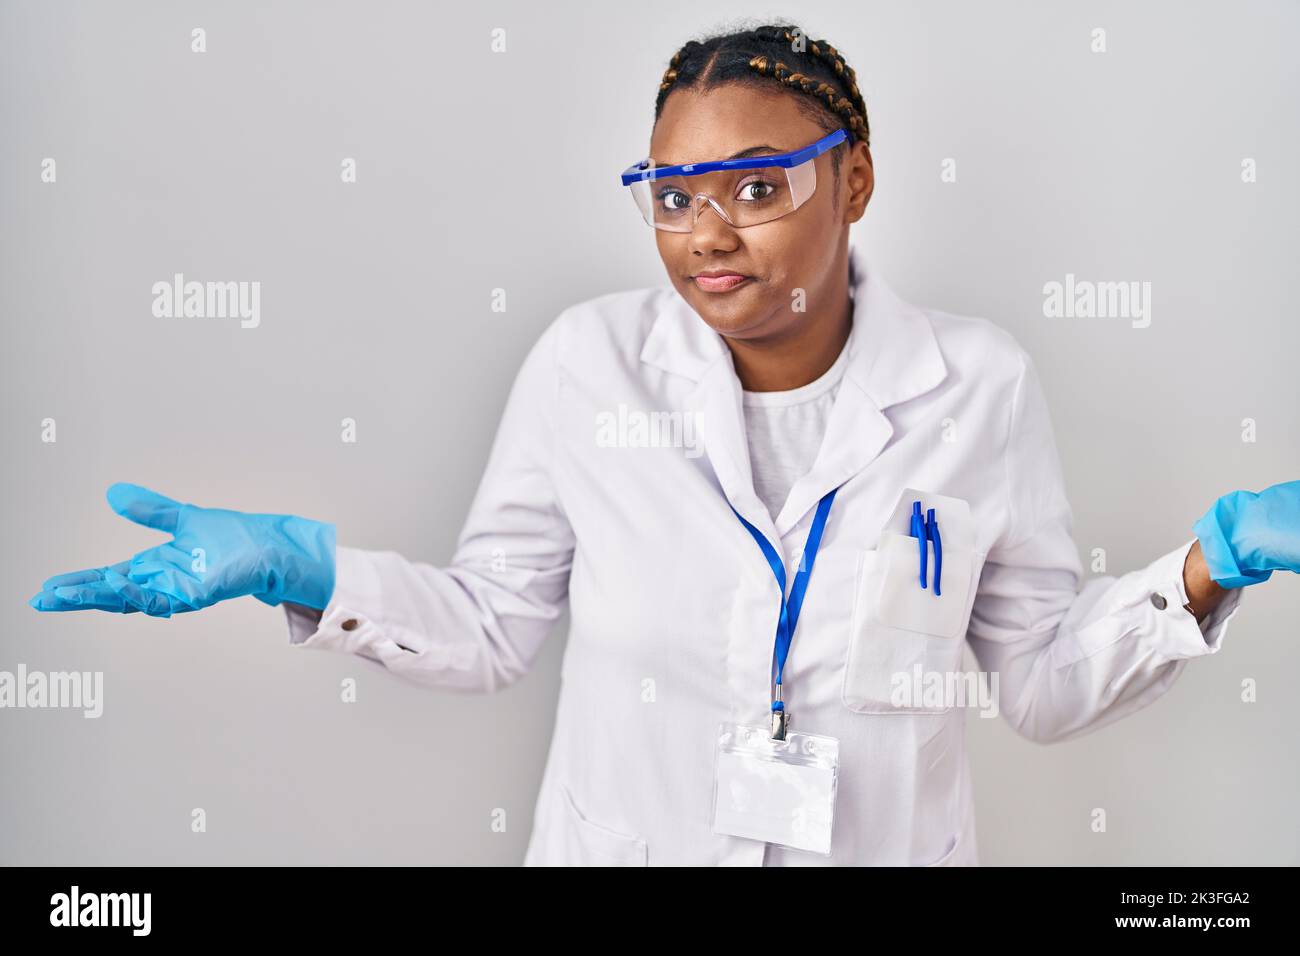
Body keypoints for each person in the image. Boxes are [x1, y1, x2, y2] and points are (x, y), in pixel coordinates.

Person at [29, 24, 1300, 866]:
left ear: (852, 180)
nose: (707, 232)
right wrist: (299, 567)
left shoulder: (976, 387)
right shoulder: (590, 367)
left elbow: (1035, 681)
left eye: (759, 186)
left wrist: (1211, 560)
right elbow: (491, 625)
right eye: (673, 194)